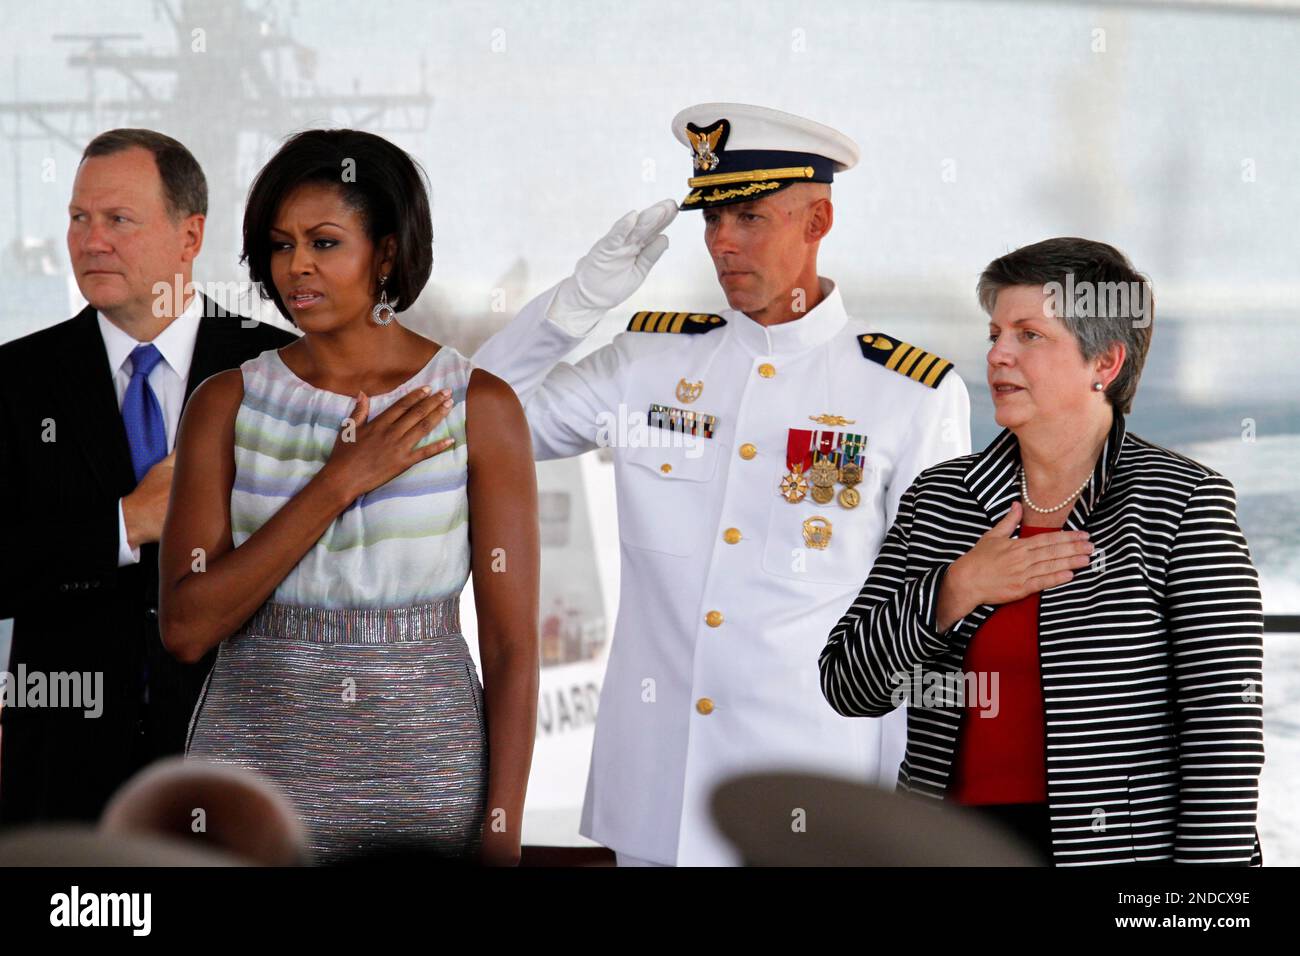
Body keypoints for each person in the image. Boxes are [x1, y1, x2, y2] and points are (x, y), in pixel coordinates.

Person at [474, 103, 971, 865]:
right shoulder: (648, 364)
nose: (723, 243)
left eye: (749, 217)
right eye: (712, 220)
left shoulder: (909, 395)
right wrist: (577, 304)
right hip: (657, 801)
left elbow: (929, 621)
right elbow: (471, 425)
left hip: (814, 803)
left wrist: (908, 813)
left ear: (818, 221)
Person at [158, 129, 539, 865]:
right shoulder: (225, 402)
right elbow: (185, 626)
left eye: (325, 243)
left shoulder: (477, 404)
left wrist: (502, 835)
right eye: (280, 244)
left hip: (424, 777)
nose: (296, 265)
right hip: (247, 772)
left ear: (387, 254)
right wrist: (339, 481)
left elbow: (513, 645)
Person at [820, 237, 1265, 866]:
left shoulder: (1182, 499)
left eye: (1029, 335)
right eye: (995, 332)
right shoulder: (942, 498)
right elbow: (848, 685)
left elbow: (1224, 729)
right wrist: (956, 588)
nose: (997, 354)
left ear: (1104, 363)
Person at [0, 129, 295, 827]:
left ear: (189, 236)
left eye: (118, 219)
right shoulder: (13, 381)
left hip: (250, 766)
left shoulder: (280, 370)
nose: (90, 240)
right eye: (79, 218)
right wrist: (124, 525)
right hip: (64, 777)